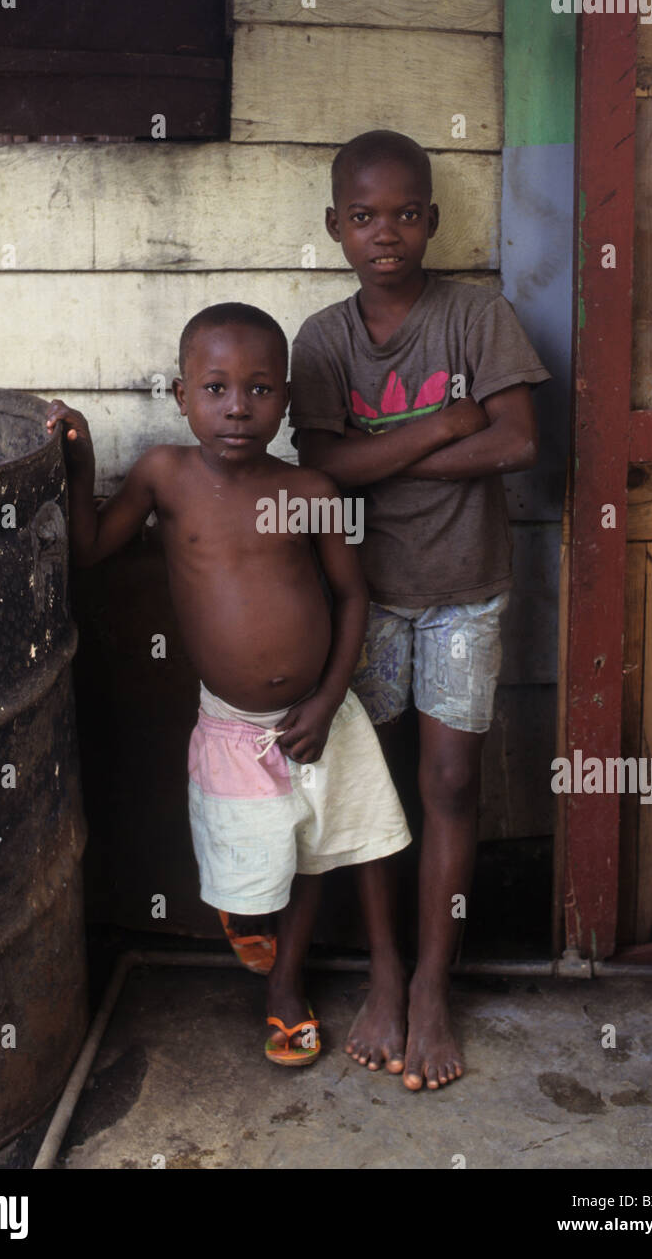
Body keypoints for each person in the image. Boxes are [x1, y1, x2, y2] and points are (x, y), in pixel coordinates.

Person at [45, 301, 410, 1067]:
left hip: (320, 715)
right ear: (181, 396)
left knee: (316, 851)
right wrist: (79, 466)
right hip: (234, 727)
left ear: (285, 398)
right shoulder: (163, 475)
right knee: (252, 873)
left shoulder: (311, 489)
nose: (237, 408)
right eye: (215, 389)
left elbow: (352, 596)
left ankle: (285, 986)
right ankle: (249, 922)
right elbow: (87, 551)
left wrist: (327, 696)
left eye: (259, 390)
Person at [289, 130, 550, 1089]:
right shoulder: (321, 341)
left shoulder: (475, 318)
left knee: (446, 784)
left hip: (464, 593)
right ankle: (385, 972)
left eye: (404, 213)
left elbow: (516, 442)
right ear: (335, 229)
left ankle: (435, 983)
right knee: (377, 793)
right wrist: (444, 424)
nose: (385, 233)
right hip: (364, 598)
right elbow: (323, 469)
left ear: (432, 220)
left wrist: (385, 451)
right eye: (363, 217)